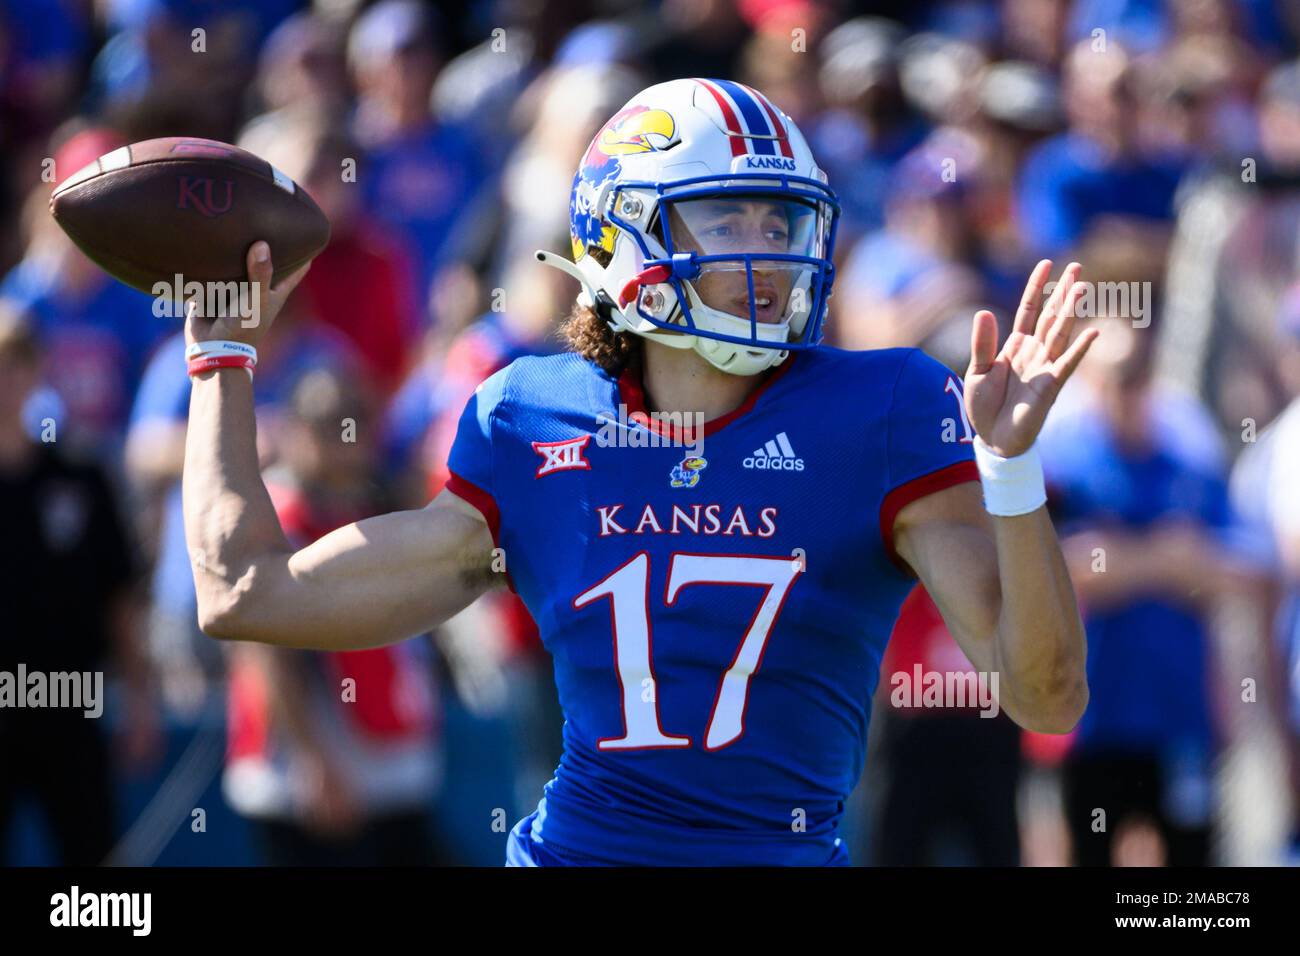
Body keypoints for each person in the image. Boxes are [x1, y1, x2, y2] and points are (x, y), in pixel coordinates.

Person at [181, 79, 1096, 867]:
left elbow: (1043, 696)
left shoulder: (883, 408)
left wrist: (1010, 469)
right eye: (726, 215)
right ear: (623, 234)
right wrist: (221, 356)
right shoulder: (532, 416)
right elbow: (246, 593)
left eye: (780, 218)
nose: (767, 250)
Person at [0, 307, 157, 865]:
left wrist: (139, 697)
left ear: (37, 369)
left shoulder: (79, 473)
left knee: (93, 867)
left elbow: (118, 594)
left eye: (14, 364)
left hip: (69, 699)